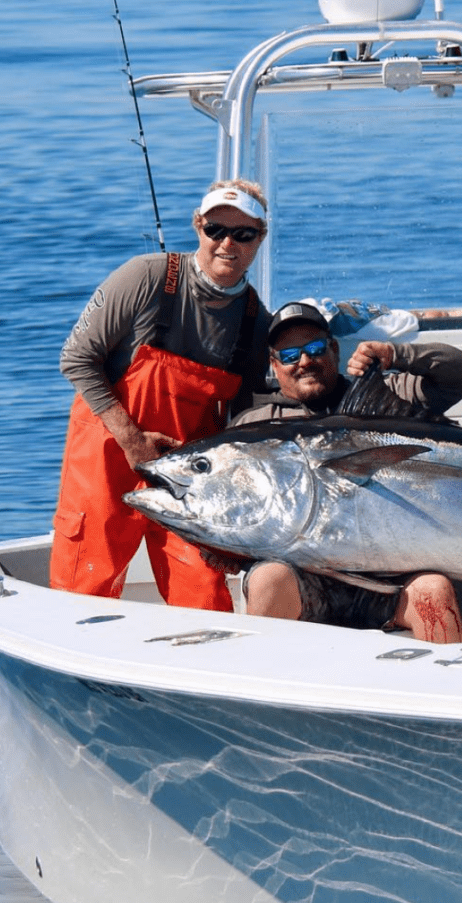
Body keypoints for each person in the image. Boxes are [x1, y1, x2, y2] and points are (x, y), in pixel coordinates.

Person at [50, 180, 272, 611]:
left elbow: (245, 414)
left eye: (243, 234)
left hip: (188, 473)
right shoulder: (146, 276)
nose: (228, 243)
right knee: (84, 592)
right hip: (107, 458)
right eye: (215, 230)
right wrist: (132, 441)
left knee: (207, 593)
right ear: (197, 227)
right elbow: (76, 359)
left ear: (260, 238)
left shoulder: (255, 320)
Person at [229, 301, 462, 643]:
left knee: (433, 590)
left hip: (388, 579)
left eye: (315, 348)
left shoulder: (387, 400)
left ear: (334, 350)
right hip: (305, 580)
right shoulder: (254, 427)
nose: (304, 361)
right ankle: (266, 691)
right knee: (268, 579)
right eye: (289, 355)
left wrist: (395, 354)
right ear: (274, 366)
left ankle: (454, 691)